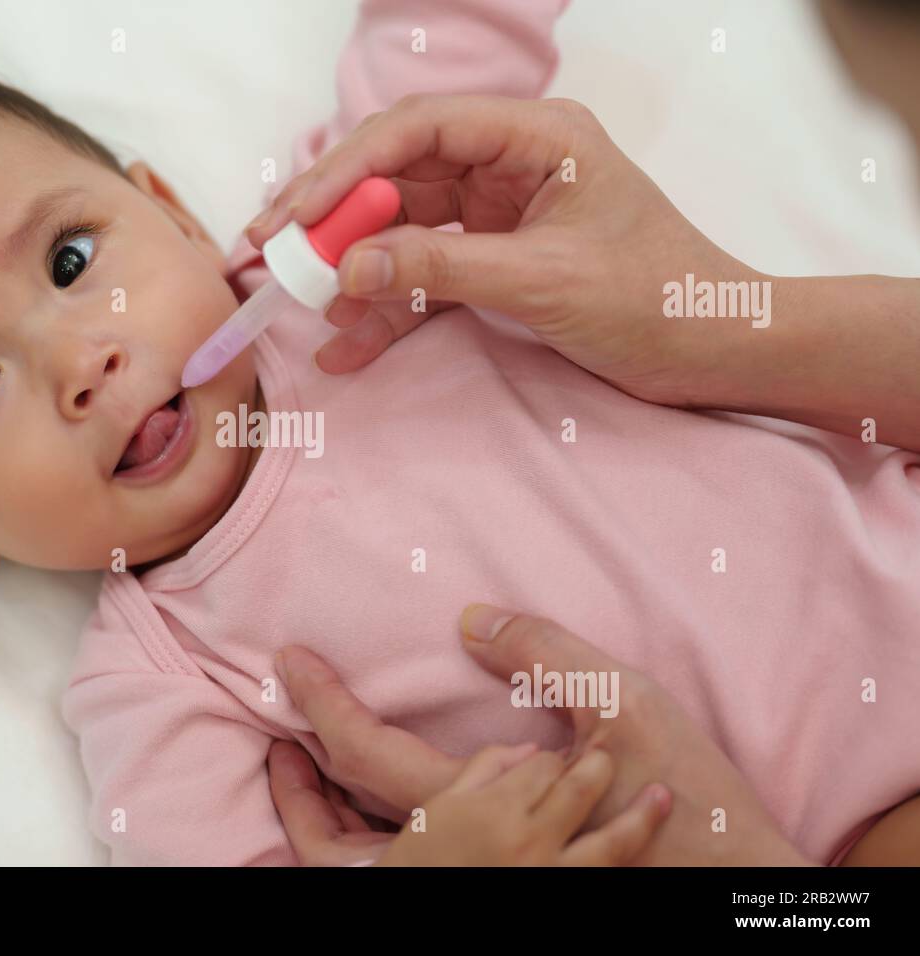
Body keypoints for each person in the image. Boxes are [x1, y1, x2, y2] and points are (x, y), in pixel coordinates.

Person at [256, 0, 920, 866]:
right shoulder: (151, 672)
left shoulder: (340, 256)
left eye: (70, 260)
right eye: (5, 382)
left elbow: (441, 84)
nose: (81, 366)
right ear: (5, 541)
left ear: (168, 212)